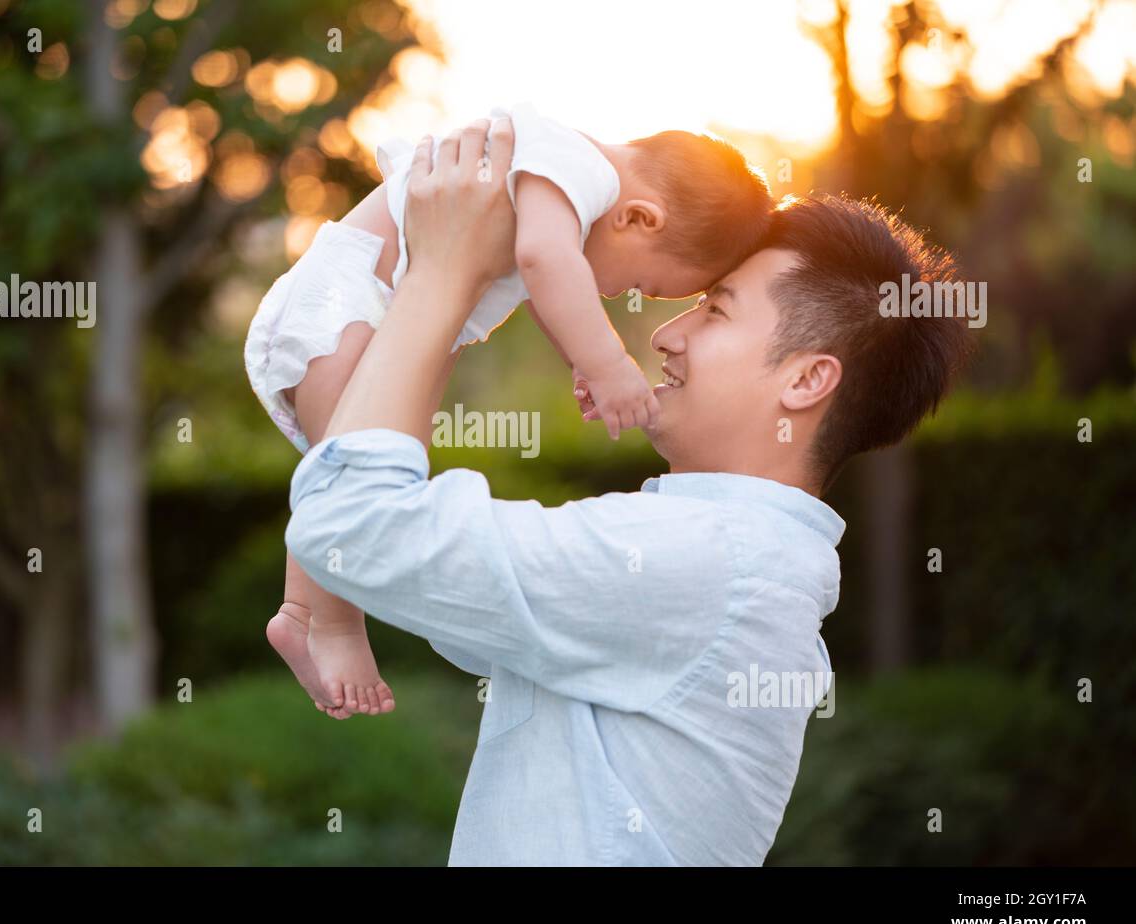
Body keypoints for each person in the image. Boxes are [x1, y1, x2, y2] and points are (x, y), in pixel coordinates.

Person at [282, 120, 974, 865]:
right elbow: (424, 580)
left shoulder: (706, 564)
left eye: (716, 310)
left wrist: (440, 275)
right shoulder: (722, 560)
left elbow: (349, 525)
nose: (667, 335)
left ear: (807, 380)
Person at [247, 106, 772, 716]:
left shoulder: (571, 193)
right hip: (350, 300)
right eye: (646, 287)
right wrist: (605, 362)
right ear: (639, 218)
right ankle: (333, 626)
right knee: (352, 461)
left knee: (374, 463)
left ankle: (300, 612)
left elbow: (549, 279)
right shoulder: (577, 167)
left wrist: (578, 360)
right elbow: (545, 263)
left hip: (385, 314)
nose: (617, 294)